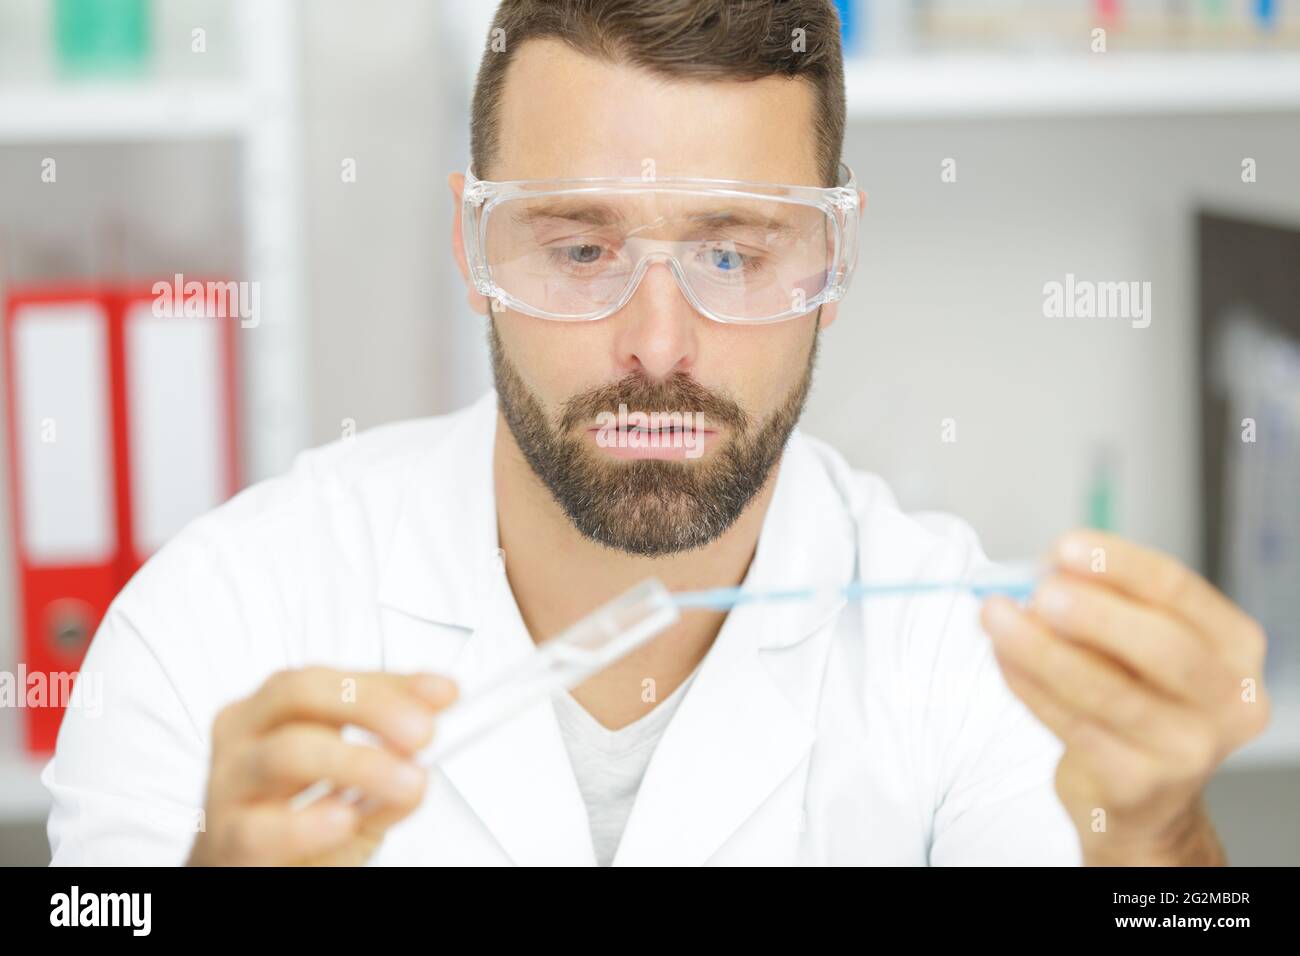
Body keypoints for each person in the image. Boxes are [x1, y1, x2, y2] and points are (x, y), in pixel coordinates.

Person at [45, 0, 1269, 866]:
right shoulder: (208, 626)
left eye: (734, 250)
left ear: (834, 262)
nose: (660, 342)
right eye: (581, 248)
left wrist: (1159, 841)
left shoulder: (963, 659)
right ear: (471, 248)